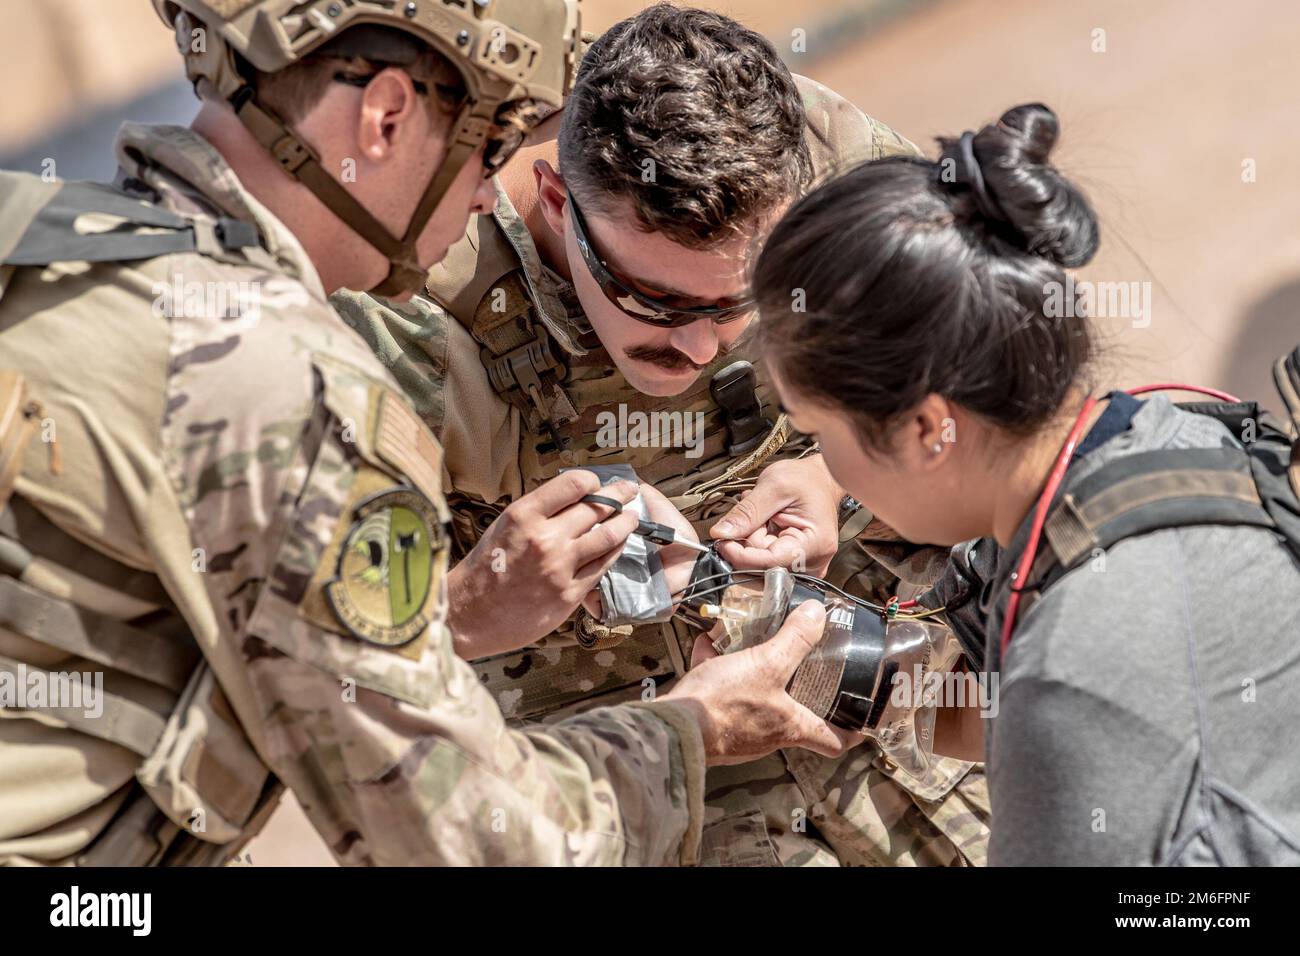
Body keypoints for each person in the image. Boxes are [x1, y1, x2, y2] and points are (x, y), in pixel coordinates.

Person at [0, 0, 850, 867]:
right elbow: (470, 836)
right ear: (387, 117)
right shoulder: (287, 386)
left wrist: (453, 620)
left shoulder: (42, 255)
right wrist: (693, 728)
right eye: (489, 144)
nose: (492, 191)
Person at [332, 4, 990, 867]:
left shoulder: (837, 165)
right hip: (642, 782)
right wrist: (472, 608)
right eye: (658, 302)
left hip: (898, 693)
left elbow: (990, 368)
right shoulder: (408, 325)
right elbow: (313, 664)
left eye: (738, 304)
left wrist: (838, 475)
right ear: (562, 205)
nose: (700, 346)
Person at [749, 101, 1300, 864]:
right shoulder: (1170, 437)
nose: (821, 470)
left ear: (925, 428)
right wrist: (787, 643)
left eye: (814, 434)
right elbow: (1039, 716)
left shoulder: (1075, 657)